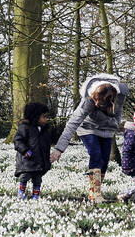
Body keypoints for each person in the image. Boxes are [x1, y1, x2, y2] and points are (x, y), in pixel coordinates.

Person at [51, 74, 128, 205]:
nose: (96, 104)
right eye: (95, 100)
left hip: (108, 128)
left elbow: (118, 112)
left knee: (104, 160)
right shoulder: (88, 99)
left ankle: (96, 190)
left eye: (100, 102)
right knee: (96, 154)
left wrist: (115, 123)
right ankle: (95, 194)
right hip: (87, 128)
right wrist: (59, 149)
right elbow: (72, 124)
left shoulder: (120, 94)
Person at [13, 101, 53, 200]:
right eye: (44, 117)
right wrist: (25, 150)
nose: (46, 119)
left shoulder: (45, 130)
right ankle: (21, 193)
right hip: (27, 160)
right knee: (25, 177)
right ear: (35, 117)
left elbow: (47, 145)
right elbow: (18, 140)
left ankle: (36, 196)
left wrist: (47, 158)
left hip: (39, 161)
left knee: (38, 179)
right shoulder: (25, 127)